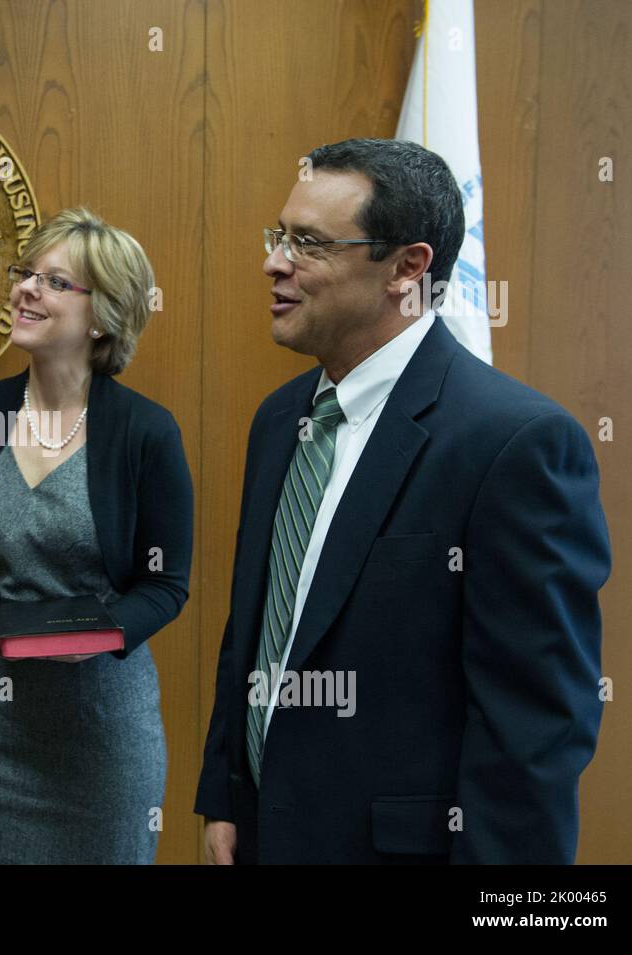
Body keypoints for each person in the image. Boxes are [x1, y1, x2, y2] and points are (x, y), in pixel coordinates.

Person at [195, 138, 610, 864]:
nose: (274, 261)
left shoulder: (516, 444)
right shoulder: (279, 418)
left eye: (309, 243)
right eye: (279, 235)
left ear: (408, 269)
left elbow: (534, 733)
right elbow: (260, 628)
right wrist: (227, 797)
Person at [0, 208, 193, 863]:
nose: (25, 288)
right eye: (26, 273)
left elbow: (165, 583)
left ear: (102, 315)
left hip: (100, 725)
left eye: (54, 282)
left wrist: (96, 635)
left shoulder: (145, 432)